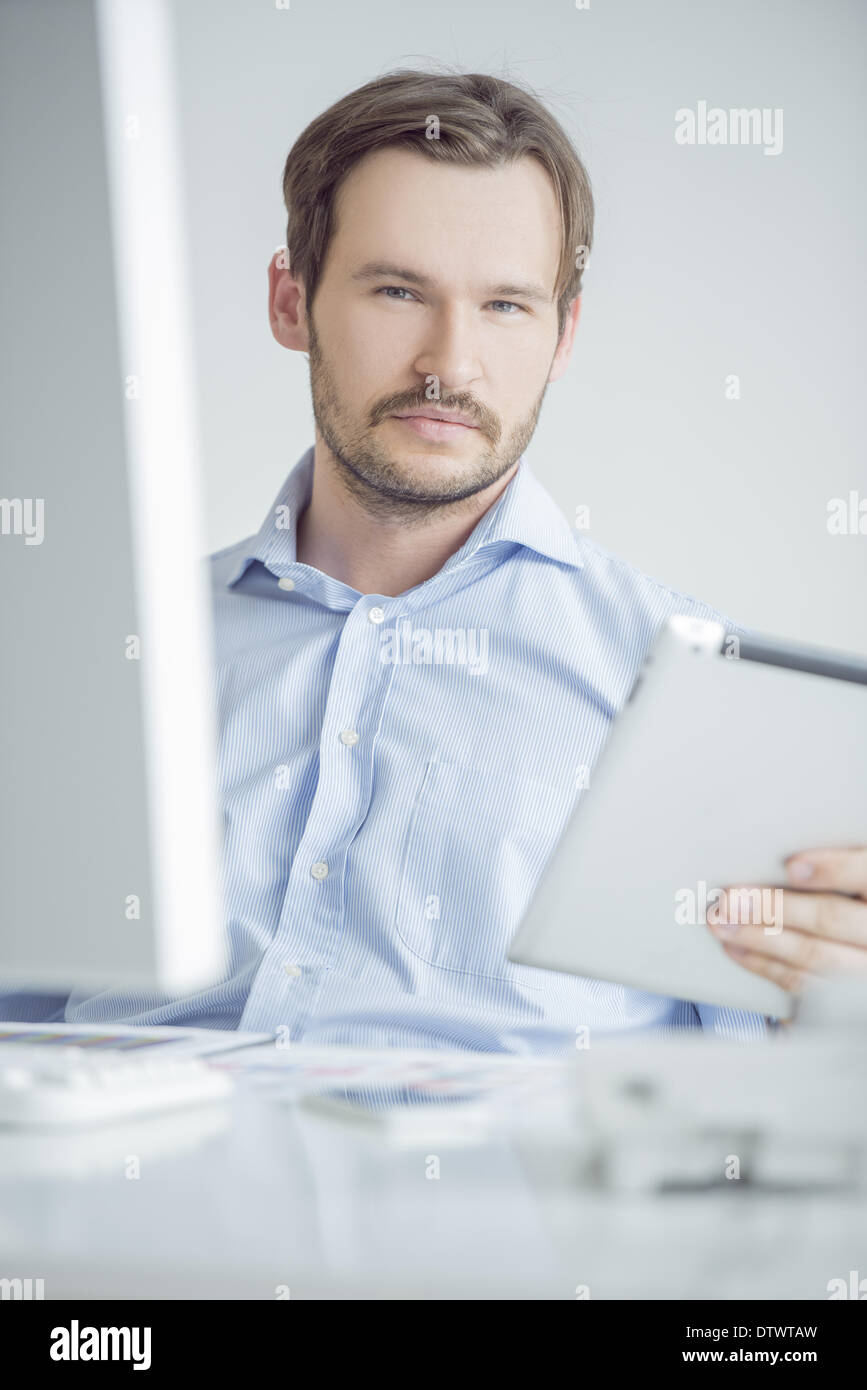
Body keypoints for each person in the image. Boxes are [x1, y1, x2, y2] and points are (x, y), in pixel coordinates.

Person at [10, 70, 865, 1048]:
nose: (449, 364)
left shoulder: (693, 699)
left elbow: (766, 1083)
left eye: (505, 306)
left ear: (563, 335)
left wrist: (841, 999)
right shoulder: (105, 660)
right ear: (292, 302)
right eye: (398, 290)